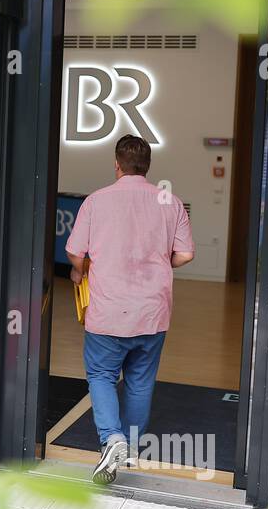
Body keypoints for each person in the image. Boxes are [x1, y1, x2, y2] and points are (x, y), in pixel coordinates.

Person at [64, 134, 194, 484]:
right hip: (153, 311)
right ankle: (131, 447)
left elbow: (76, 252)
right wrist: (158, 261)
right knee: (140, 380)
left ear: (116, 164)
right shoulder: (171, 201)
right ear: (147, 166)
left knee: (102, 375)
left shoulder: (96, 201)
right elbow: (185, 254)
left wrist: (79, 270)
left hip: (108, 311)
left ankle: (112, 439)